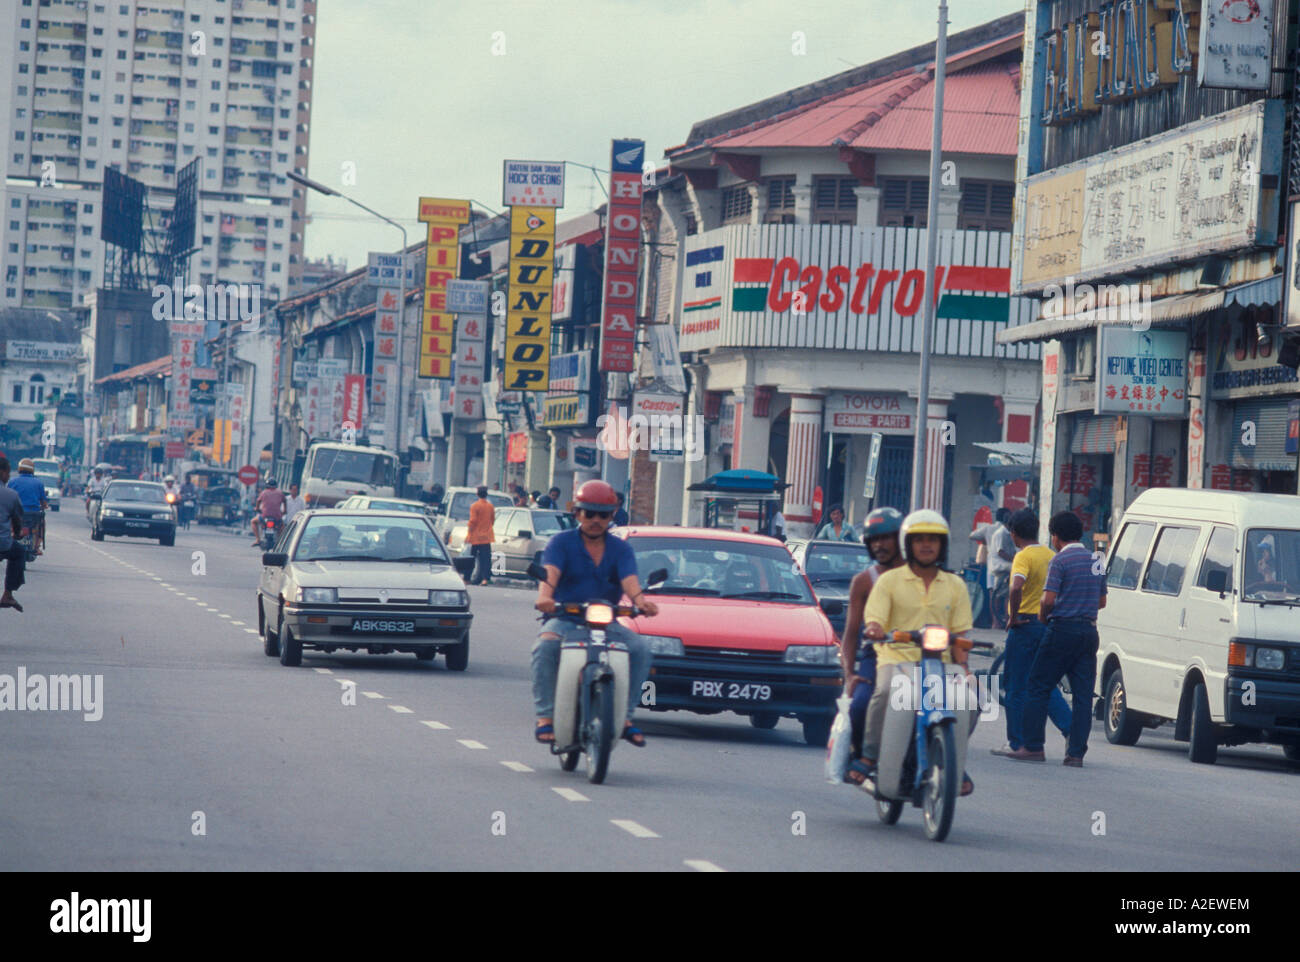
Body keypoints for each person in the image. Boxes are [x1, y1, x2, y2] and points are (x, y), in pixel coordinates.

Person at [532, 479, 659, 747]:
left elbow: (629, 580)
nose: (595, 520)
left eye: (603, 514)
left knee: (641, 649)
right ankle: (545, 717)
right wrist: (545, 597)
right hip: (566, 618)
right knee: (545, 648)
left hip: (605, 622)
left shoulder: (621, 548)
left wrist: (641, 601)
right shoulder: (561, 543)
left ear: (612, 516)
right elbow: (551, 574)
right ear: (577, 513)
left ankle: (625, 718)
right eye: (589, 513)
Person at [859, 509, 976, 796]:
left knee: (971, 699)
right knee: (885, 693)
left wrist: (965, 669)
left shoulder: (956, 585)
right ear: (907, 545)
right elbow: (874, 618)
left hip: (941, 663)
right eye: (920, 539)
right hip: (896, 659)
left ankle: (952, 757)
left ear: (942, 545)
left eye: (933, 540)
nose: (926, 545)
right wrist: (874, 628)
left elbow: (960, 634)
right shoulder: (889, 581)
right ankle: (869, 755)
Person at [1007, 511, 1107, 766]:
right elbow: (1102, 601)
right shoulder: (1096, 559)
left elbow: (1048, 600)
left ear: (1055, 536)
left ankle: (1032, 747)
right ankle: (1075, 753)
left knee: (1037, 685)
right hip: (1089, 632)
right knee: (1083, 696)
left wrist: (1043, 617)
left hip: (1061, 629)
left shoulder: (1060, 561)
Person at [991, 509, 1072, 756]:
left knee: (1016, 686)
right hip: (1047, 625)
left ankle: (1017, 743)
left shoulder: (1023, 556)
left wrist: (1012, 617)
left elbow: (1016, 587)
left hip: (1025, 625)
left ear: (1014, 534)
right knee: (1043, 685)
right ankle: (1071, 729)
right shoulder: (1052, 555)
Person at [839, 507, 905, 784]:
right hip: (875, 656)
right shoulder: (864, 581)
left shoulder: (920, 574)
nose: (879, 545)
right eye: (873, 539)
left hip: (919, 653)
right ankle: (859, 754)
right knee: (860, 704)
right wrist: (849, 674)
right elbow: (852, 633)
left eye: (886, 538)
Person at [971, 508, 1015, 628]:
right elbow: (1001, 551)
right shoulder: (1003, 531)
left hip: (992, 564)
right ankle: (1004, 620)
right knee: (1006, 593)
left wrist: (985, 540)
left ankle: (995, 622)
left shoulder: (988, 529)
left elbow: (972, 535)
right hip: (1000, 564)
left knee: (993, 593)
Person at [0, 458, 28, 612]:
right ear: (2, 472)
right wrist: (17, 534)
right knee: (19, 552)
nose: (9, 476)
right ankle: (8, 593)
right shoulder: (11, 495)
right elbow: (17, 521)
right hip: (2, 544)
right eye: (7, 473)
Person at [9, 459, 48, 554]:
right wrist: (45, 505)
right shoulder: (38, 483)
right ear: (32, 470)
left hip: (16, 514)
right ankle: (37, 546)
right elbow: (43, 501)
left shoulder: (12, 481)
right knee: (42, 525)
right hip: (33, 514)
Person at [467, 485, 495, 585]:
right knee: (486, 559)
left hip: (475, 537)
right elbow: (492, 520)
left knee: (471, 559)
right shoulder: (490, 506)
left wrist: (469, 533)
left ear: (477, 494)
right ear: (486, 494)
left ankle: (467, 578)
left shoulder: (474, 506)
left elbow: (473, 521)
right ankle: (485, 579)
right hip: (486, 537)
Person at [252, 477, 287, 547]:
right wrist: (284, 511)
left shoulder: (263, 492)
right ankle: (280, 542)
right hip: (277, 516)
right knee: (282, 526)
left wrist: (257, 508)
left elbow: (258, 501)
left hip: (264, 516)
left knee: (253, 521)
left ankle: (257, 539)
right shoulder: (280, 493)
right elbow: (285, 502)